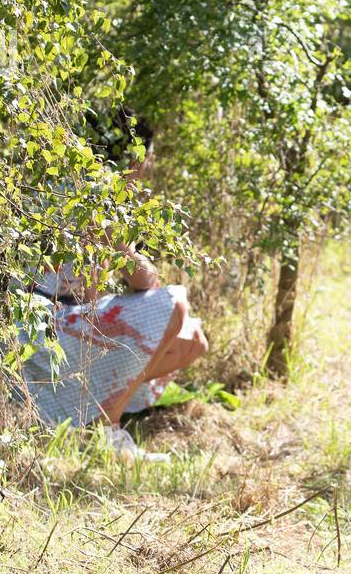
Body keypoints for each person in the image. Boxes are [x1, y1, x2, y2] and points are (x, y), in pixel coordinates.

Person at [15, 111, 209, 461]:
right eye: (146, 158)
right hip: (35, 325)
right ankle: (104, 427)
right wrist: (117, 234)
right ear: (131, 158)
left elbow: (116, 292)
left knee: (192, 341)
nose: (147, 169)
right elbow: (122, 289)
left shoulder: (97, 199)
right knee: (174, 306)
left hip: (57, 321)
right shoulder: (86, 197)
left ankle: (86, 416)